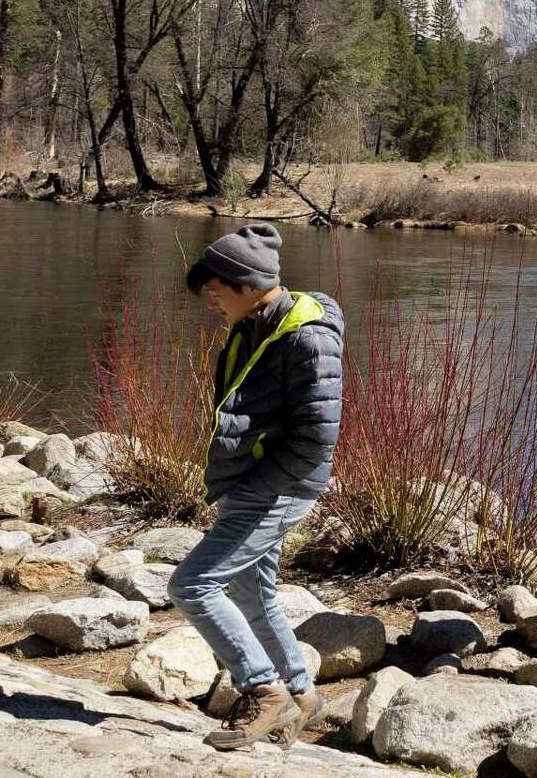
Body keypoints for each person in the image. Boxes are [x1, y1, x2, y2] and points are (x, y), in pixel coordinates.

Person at [169, 223, 343, 752]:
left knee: (192, 585)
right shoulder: (255, 324)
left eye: (216, 287)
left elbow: (317, 438)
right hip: (255, 483)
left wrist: (259, 489)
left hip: (276, 488)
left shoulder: (306, 338)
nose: (210, 297)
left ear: (248, 284)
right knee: (252, 592)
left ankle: (263, 690)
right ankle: (301, 696)